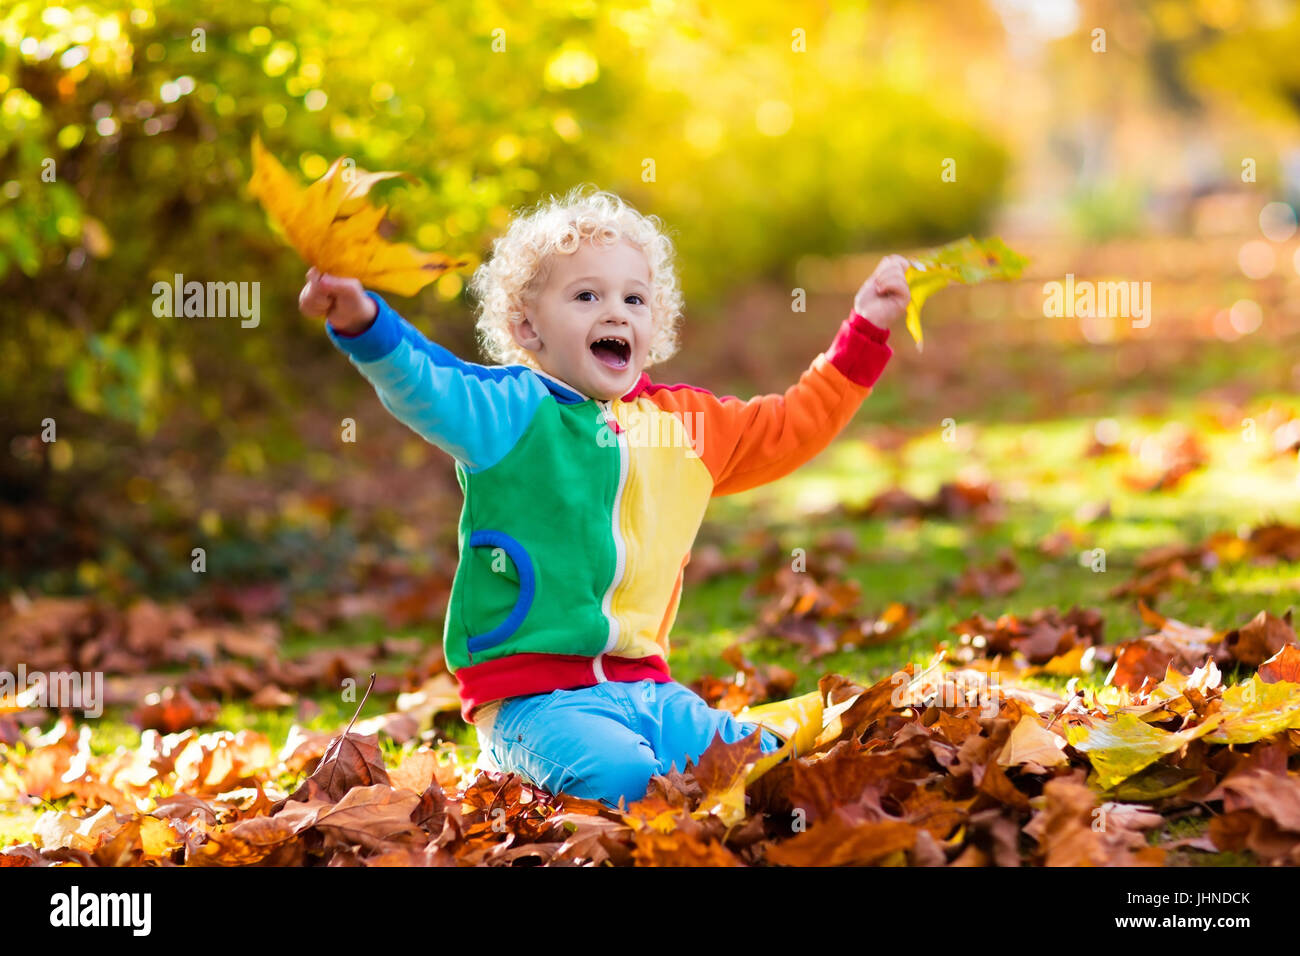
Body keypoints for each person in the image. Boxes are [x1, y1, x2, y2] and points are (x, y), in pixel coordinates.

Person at [298, 183, 907, 809]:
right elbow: (426, 383)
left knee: (765, 766)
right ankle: (544, 774)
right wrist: (364, 323)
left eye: (633, 298)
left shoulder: (686, 426)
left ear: (654, 322)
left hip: (648, 689)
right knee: (627, 780)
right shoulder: (509, 414)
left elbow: (791, 426)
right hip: (530, 704)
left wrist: (865, 330)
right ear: (527, 326)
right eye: (587, 295)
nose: (615, 312)